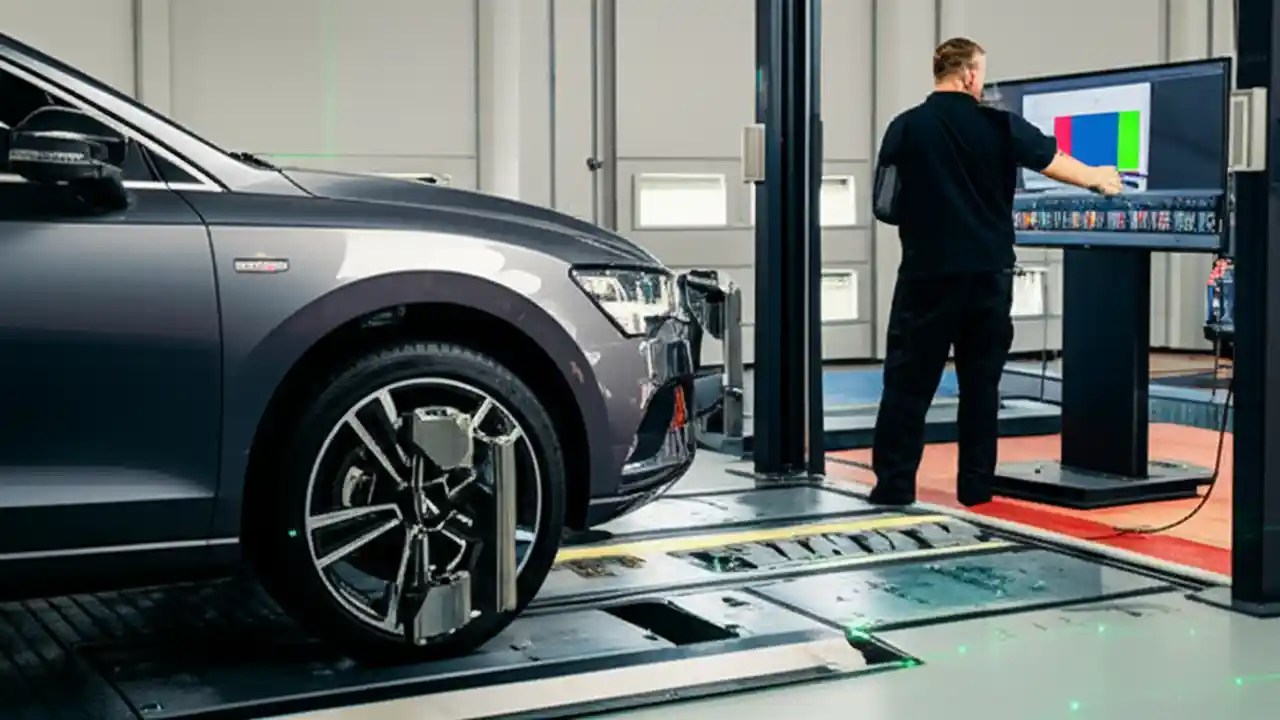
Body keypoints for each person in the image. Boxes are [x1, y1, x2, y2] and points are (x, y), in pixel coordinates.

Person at [868, 37, 1123, 508]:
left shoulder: (906, 126)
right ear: (969, 75)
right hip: (988, 275)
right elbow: (1053, 162)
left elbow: (886, 204)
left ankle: (894, 487)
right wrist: (1098, 177)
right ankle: (976, 488)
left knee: (907, 386)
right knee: (980, 388)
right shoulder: (999, 124)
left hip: (926, 276)